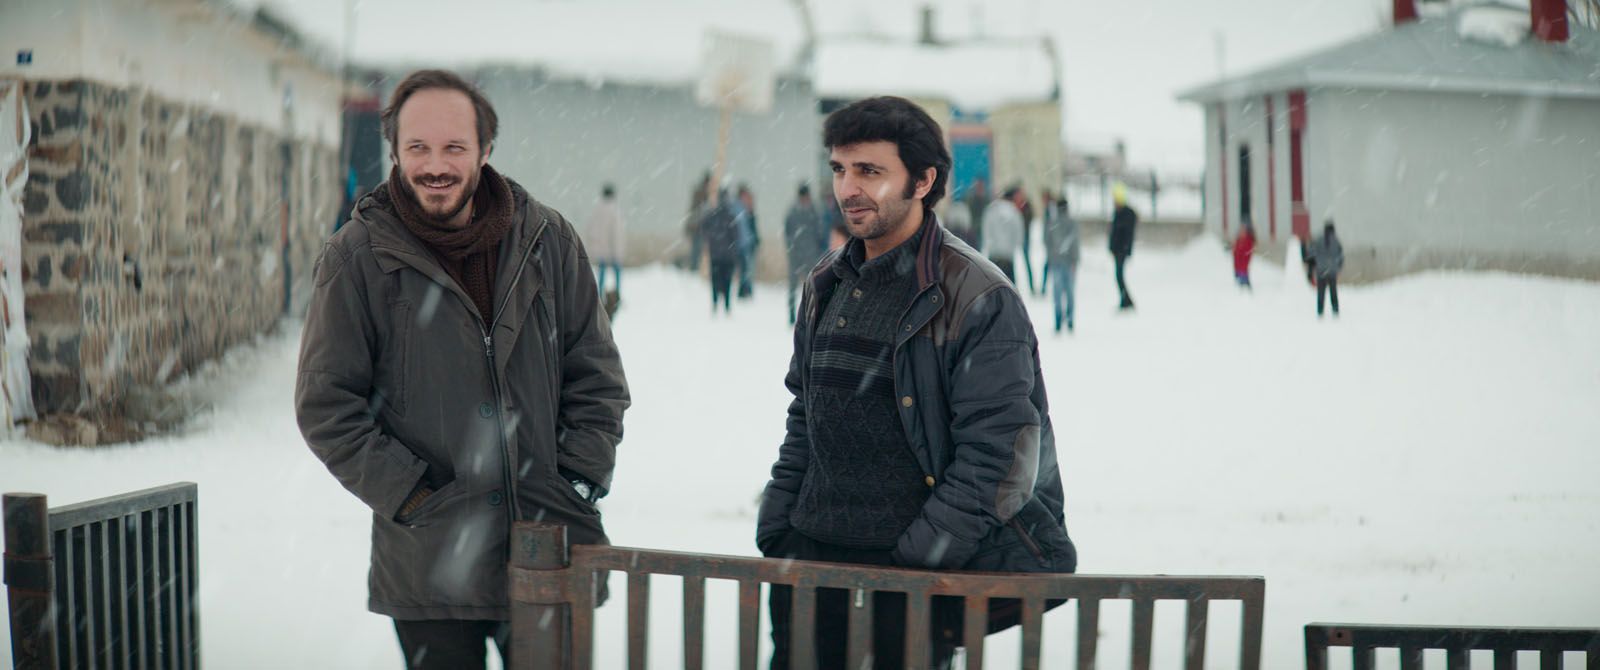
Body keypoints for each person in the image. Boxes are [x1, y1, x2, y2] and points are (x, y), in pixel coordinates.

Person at [294, 69, 629, 670]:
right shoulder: (356, 258)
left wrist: (575, 479)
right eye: (418, 147)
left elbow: (596, 375)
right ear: (395, 152)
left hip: (548, 545)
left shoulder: (549, 241)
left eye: (454, 147)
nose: (435, 166)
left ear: (485, 150)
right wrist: (414, 495)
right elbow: (327, 406)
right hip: (430, 560)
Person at [757, 96, 1076, 670]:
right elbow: (805, 412)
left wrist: (916, 558)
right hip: (808, 569)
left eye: (869, 171)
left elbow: (996, 455)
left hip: (910, 583)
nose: (848, 188)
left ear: (923, 180)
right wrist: (780, 523)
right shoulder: (826, 282)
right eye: (839, 169)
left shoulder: (976, 295)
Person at [784, 183, 825, 324]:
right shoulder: (792, 212)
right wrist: (791, 247)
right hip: (795, 255)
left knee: (811, 287)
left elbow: (820, 233)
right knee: (792, 286)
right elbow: (787, 232)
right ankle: (791, 314)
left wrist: (817, 251)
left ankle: (810, 315)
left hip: (811, 255)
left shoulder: (814, 211)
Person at [1043, 193, 1081, 333]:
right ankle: (1070, 319)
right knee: (1070, 292)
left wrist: (1051, 257)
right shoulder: (1072, 223)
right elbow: (1075, 243)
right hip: (1069, 262)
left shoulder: (1052, 223)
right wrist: (1075, 260)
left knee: (1057, 292)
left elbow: (1046, 241)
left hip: (1056, 261)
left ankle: (1058, 319)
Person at [702, 183, 742, 313]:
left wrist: (711, 242)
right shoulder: (730, 217)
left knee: (716, 281)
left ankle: (716, 303)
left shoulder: (712, 215)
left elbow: (704, 229)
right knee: (727, 282)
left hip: (716, 255)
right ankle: (726, 304)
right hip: (727, 256)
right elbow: (736, 236)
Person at [979, 186, 1025, 283]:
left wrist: (988, 244)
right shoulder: (1013, 211)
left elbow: (986, 231)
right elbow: (1018, 232)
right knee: (1009, 283)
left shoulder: (990, 210)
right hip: (1008, 255)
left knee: (994, 283)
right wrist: (1015, 245)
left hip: (994, 254)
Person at [586, 183, 625, 296]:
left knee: (602, 272)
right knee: (616, 272)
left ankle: (600, 294)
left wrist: (594, 246)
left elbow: (591, 230)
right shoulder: (615, 210)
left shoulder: (597, 210)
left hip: (600, 249)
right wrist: (617, 250)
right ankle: (617, 293)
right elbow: (617, 233)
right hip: (613, 248)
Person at [1108, 182, 1138, 310]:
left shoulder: (1127, 214)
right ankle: (1125, 300)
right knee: (1118, 276)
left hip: (1121, 251)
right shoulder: (1118, 213)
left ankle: (1126, 300)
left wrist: (1124, 250)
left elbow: (1126, 234)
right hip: (1118, 250)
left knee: (1119, 276)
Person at [1311, 220, 1344, 317]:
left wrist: (1315, 266)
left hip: (1321, 271)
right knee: (1333, 292)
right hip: (1332, 271)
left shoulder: (1319, 239)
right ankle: (1335, 311)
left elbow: (1313, 253)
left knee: (1321, 293)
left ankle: (1320, 311)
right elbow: (1341, 256)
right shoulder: (1336, 240)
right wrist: (1339, 268)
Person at [736, 183, 760, 299]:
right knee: (745, 268)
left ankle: (747, 289)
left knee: (749, 268)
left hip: (749, 244)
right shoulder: (739, 210)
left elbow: (753, 228)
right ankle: (744, 290)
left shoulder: (749, 212)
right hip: (742, 244)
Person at [684, 170, 711, 270]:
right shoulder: (701, 195)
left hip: (698, 228)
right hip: (697, 228)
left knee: (697, 251)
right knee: (696, 251)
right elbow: (697, 213)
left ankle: (694, 268)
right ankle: (694, 268)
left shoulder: (700, 194)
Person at [1232, 218, 1256, 291]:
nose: (1242, 231)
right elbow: (1235, 251)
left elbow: (1247, 252)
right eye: (1241, 229)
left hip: (1244, 262)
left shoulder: (1248, 240)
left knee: (1244, 276)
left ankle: (1246, 286)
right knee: (1240, 277)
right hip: (1238, 264)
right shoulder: (1238, 239)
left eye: (1243, 229)